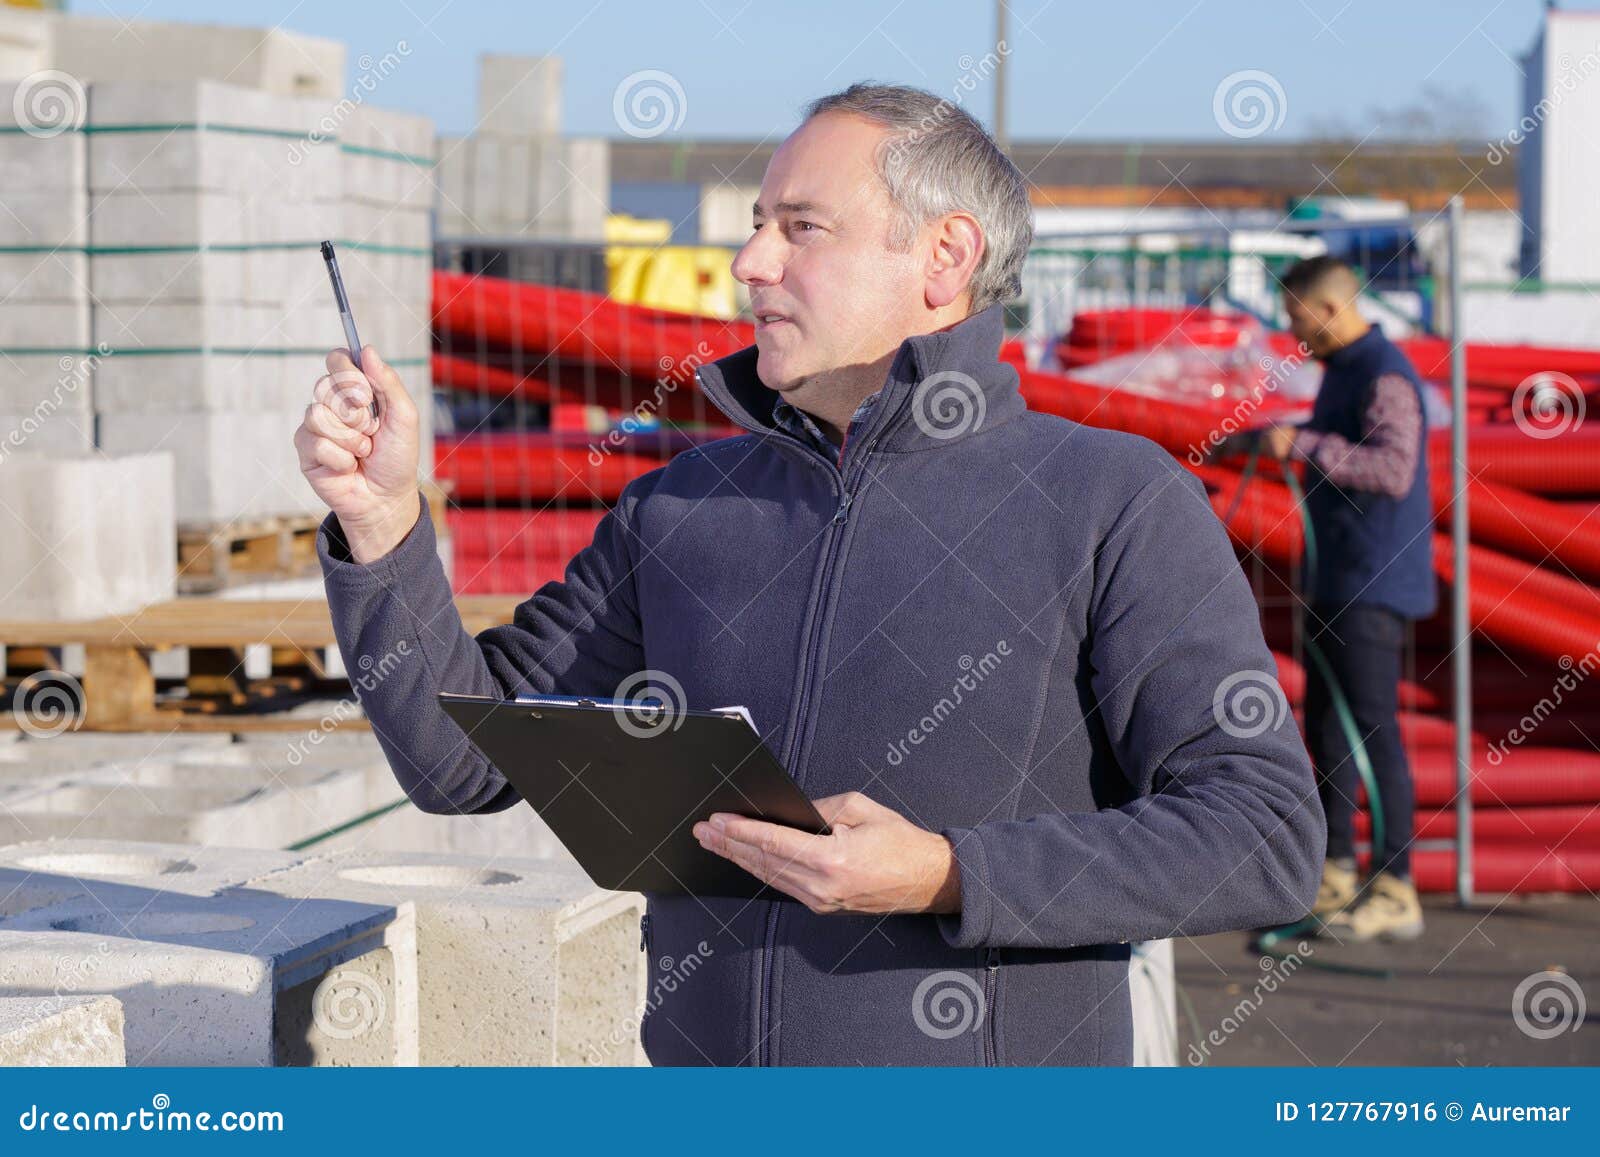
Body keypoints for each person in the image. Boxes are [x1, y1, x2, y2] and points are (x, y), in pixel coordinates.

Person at [295, 83, 1322, 1066]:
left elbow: (1264, 832)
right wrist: (381, 524)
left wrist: (950, 873)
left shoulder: (1109, 500)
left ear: (945, 255)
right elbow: (463, 759)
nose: (750, 261)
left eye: (802, 227)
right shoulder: (679, 508)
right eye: (757, 224)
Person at [1260, 255, 1438, 942]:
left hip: (1373, 581)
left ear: (1330, 309)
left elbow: (1393, 469)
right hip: (1335, 580)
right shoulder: (1341, 369)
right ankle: (1336, 868)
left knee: (1372, 729)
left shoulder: (1384, 374)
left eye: (1295, 315)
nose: (1291, 330)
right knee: (1328, 728)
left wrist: (1305, 444)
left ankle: (1396, 885)